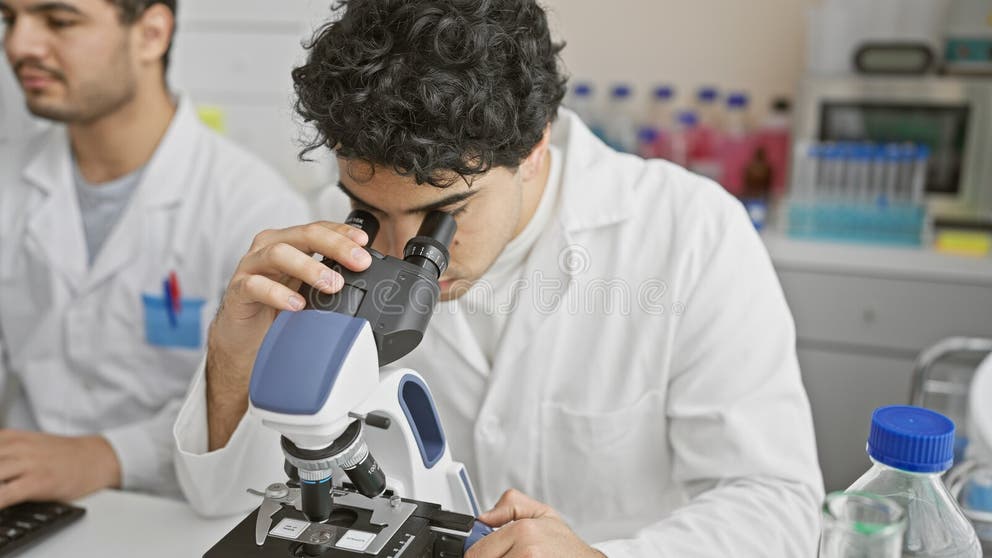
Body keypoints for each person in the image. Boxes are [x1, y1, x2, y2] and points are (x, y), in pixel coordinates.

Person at [173, 0, 824, 555]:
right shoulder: (327, 241)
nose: (400, 250)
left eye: (443, 216)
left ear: (536, 146)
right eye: (370, 211)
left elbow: (776, 503)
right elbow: (223, 504)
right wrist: (233, 358)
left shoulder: (688, 234)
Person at [0, 0, 309, 507]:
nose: (19, 46)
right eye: (11, 19)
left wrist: (107, 455)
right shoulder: (9, 180)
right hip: (20, 493)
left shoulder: (254, 209)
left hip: (174, 508)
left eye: (59, 21)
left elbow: (264, 420)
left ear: (150, 33)